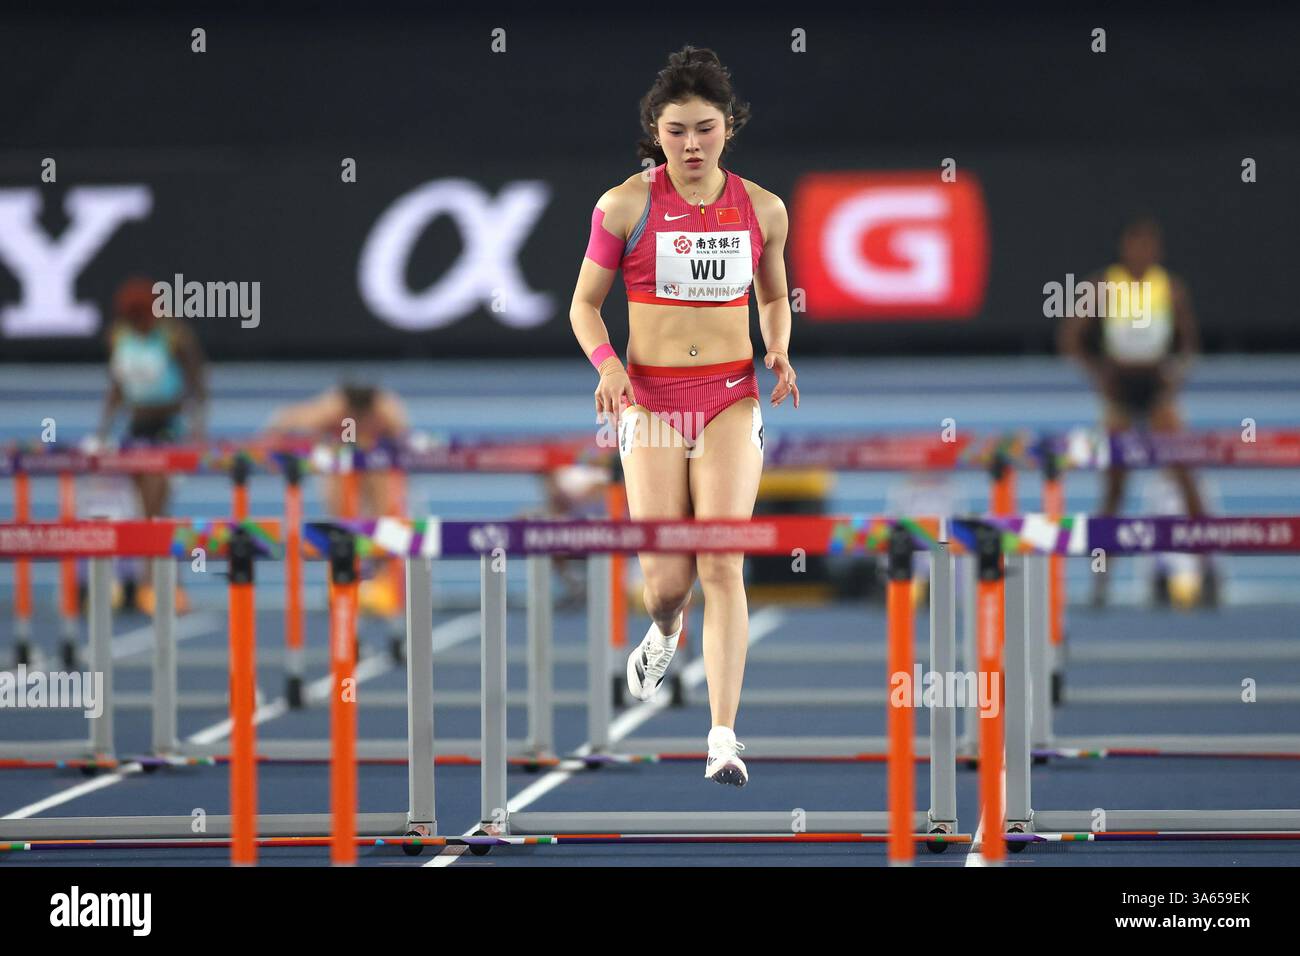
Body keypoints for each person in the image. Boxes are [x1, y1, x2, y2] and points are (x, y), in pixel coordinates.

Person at [570, 46, 798, 786]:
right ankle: (665, 630)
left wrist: (779, 350)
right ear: (655, 132)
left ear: (729, 127)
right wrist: (609, 368)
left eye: (704, 128)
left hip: (730, 396)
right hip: (651, 402)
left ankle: (723, 736)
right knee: (668, 583)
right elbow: (584, 305)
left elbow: (770, 297)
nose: (691, 144)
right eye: (675, 132)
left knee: (722, 559)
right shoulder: (623, 206)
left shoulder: (763, 209)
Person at [1058, 216, 1216, 606]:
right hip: (1120, 391)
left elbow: (1189, 342)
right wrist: (1099, 375)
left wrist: (1174, 377)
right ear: (1125, 248)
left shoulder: (1171, 288)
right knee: (1113, 490)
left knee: (1186, 478)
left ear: (1156, 250)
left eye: (1149, 246)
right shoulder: (1104, 285)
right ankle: (1100, 583)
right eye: (1136, 246)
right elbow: (1071, 337)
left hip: (1156, 390)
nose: (1142, 253)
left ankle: (1208, 570)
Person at [95, 277, 208, 614]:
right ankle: (152, 583)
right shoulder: (119, 338)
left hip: (168, 428)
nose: (140, 323)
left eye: (144, 316)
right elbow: (116, 387)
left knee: (156, 505)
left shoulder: (174, 337)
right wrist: (103, 430)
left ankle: (161, 585)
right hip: (135, 428)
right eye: (133, 318)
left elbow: (198, 383)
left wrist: (197, 428)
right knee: (144, 510)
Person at [264, 381, 410, 613]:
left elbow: (405, 444)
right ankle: (343, 574)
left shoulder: (387, 409)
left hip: (376, 467)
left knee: (385, 514)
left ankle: (382, 577)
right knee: (341, 517)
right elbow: (286, 419)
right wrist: (272, 444)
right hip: (340, 466)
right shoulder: (333, 407)